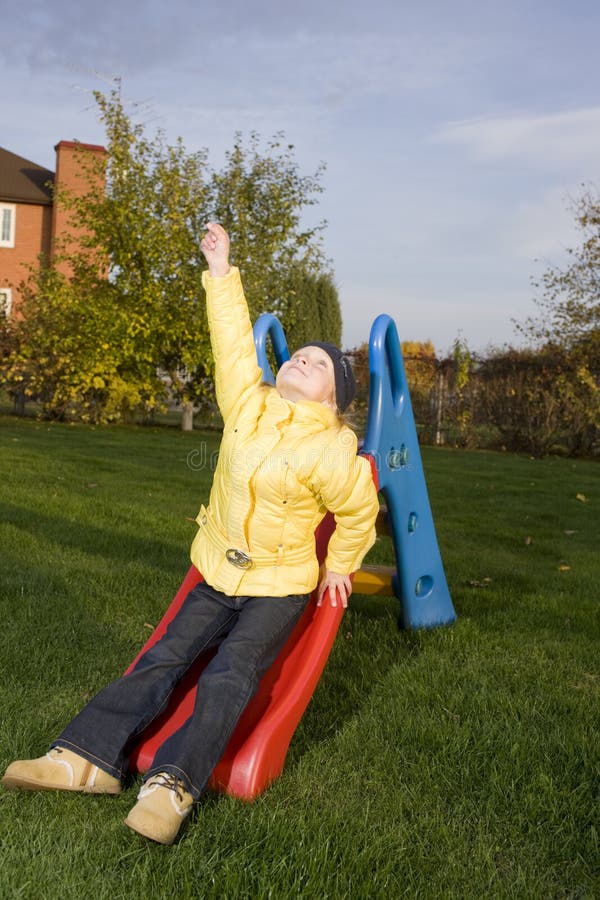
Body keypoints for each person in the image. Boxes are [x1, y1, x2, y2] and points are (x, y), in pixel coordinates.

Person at [2, 223, 379, 844]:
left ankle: (171, 784)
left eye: (315, 364)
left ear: (335, 398)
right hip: (218, 568)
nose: (298, 361)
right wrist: (222, 271)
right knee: (165, 655)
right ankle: (85, 759)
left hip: (278, 587)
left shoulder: (334, 449)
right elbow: (231, 344)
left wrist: (340, 564)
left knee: (230, 672)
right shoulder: (248, 404)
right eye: (295, 355)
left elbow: (359, 513)